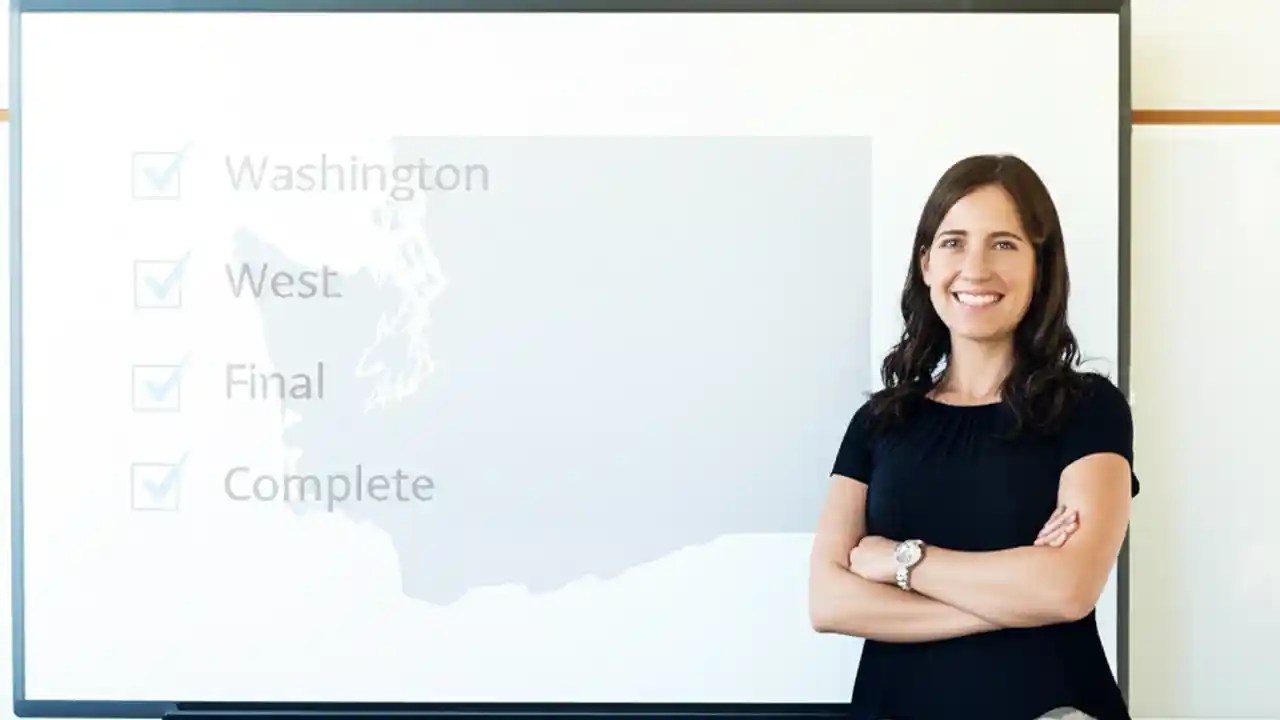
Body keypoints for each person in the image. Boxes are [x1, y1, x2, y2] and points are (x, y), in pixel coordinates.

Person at [808, 154, 1139, 720]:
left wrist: (898, 562)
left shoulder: (1088, 408)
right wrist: (1012, 598)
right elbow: (829, 601)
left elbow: (1067, 591)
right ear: (927, 264)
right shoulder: (879, 423)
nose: (976, 268)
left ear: (1041, 266)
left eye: (1004, 244)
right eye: (954, 242)